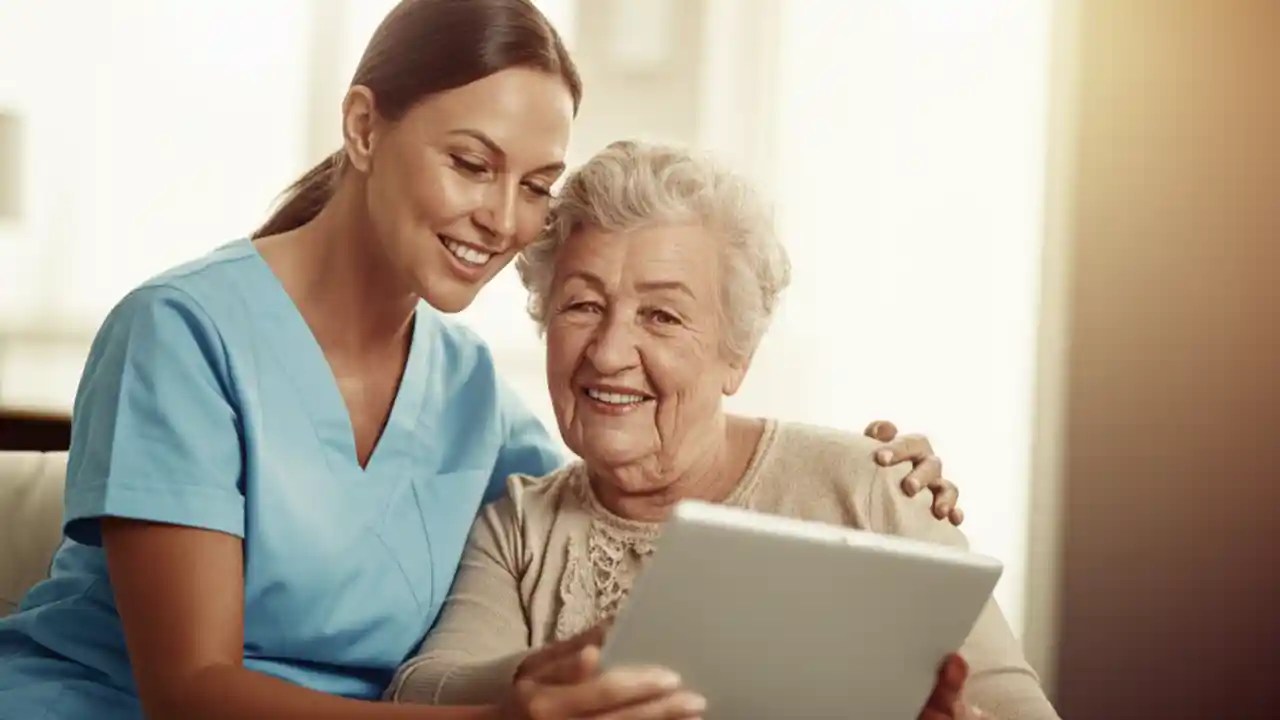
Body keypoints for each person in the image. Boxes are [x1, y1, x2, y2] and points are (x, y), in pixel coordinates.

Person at [0, 2, 962, 719]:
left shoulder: (468, 394)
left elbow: (626, 488)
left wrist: (862, 474)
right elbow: (190, 691)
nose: (504, 220)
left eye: (537, 185)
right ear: (365, 128)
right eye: (472, 164)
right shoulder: (181, 334)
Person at [385, 142, 1060, 720]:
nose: (609, 351)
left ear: (737, 354)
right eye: (583, 305)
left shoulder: (876, 486)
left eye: (662, 317)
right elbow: (420, 692)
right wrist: (540, 681)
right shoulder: (519, 530)